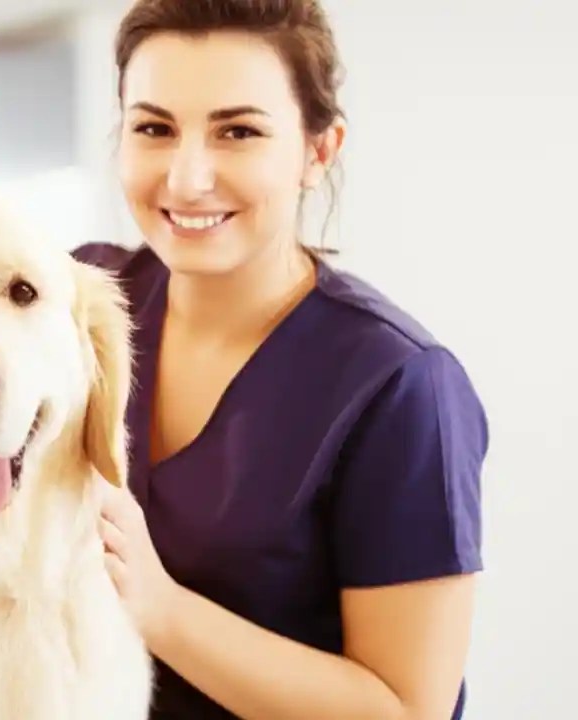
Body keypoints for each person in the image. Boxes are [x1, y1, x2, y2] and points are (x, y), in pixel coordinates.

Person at [81, 1, 488, 719]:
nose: (186, 179)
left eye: (238, 131)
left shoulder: (400, 385)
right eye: (154, 128)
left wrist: (162, 609)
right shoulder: (78, 300)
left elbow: (405, 709)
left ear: (317, 151)